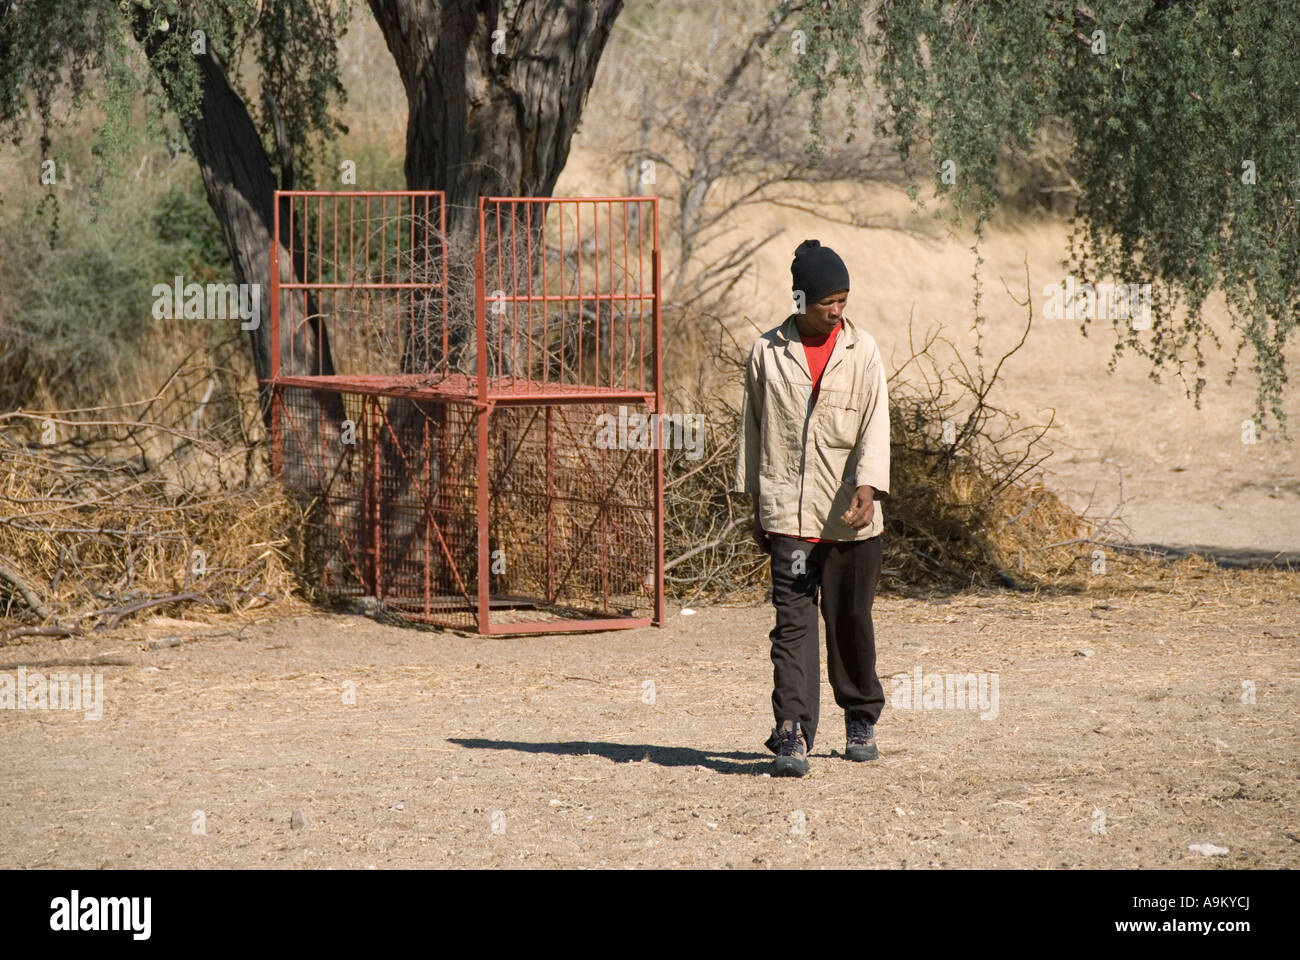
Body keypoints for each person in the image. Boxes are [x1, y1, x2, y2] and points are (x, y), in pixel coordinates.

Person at [733, 239, 891, 777]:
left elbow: (876, 424)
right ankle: (792, 731)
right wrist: (758, 503)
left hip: (850, 520)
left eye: (845, 301)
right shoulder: (766, 353)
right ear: (802, 299)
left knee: (850, 620)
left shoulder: (862, 349)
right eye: (830, 301)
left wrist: (869, 487)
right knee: (792, 625)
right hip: (791, 520)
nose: (839, 311)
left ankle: (860, 717)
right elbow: (752, 431)